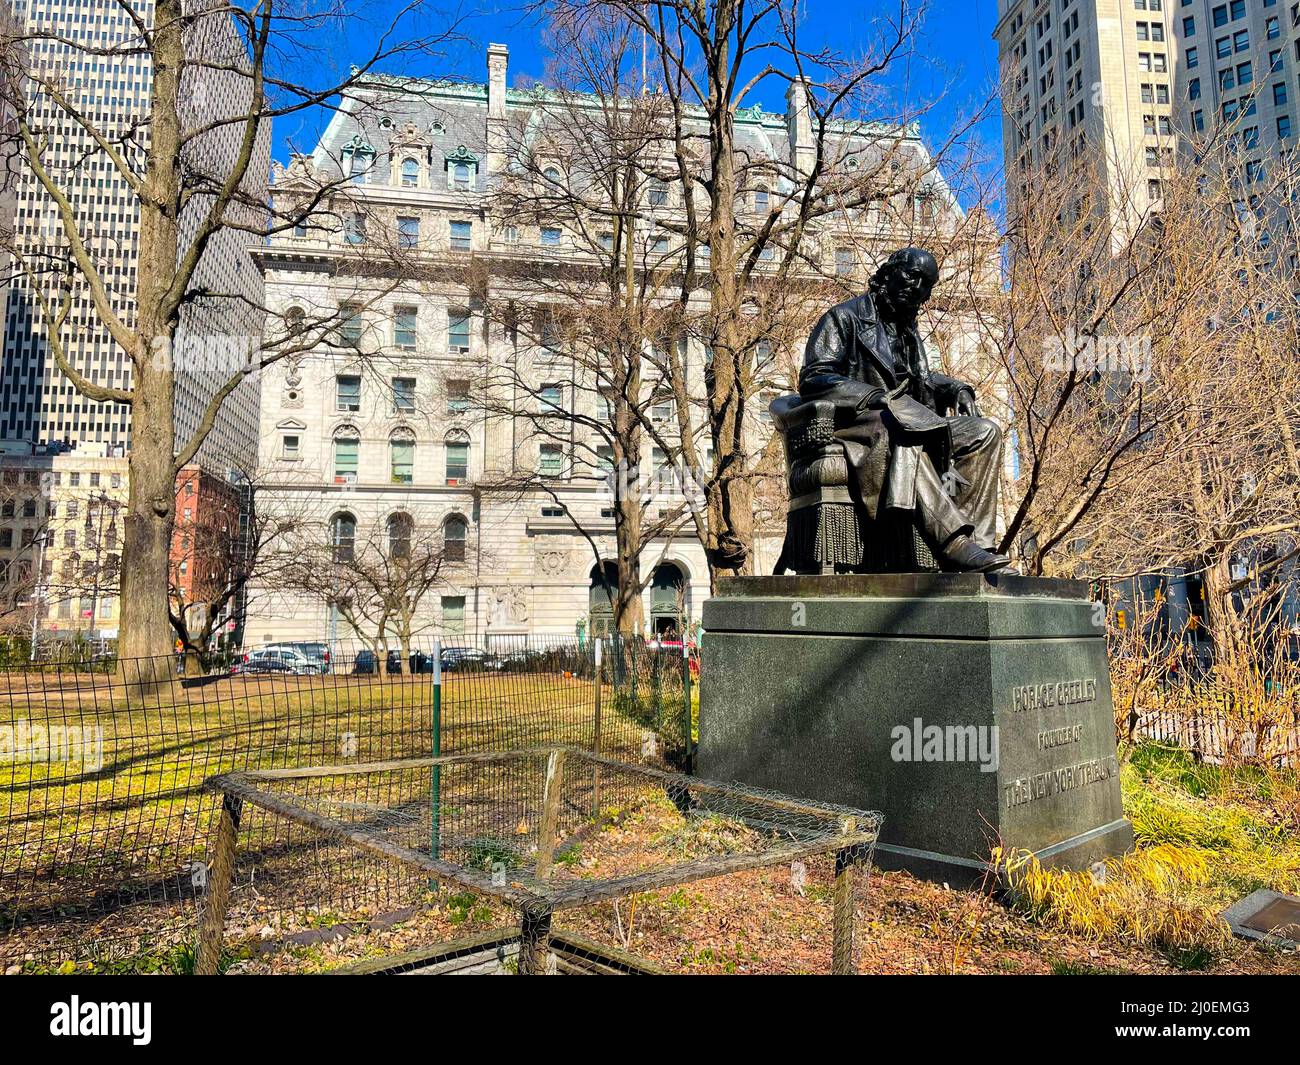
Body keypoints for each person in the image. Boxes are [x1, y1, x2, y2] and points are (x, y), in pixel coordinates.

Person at [798, 247, 1010, 573]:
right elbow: (815, 376)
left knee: (985, 432)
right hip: (860, 423)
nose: (917, 288)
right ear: (889, 272)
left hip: (910, 417)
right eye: (912, 276)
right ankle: (952, 543)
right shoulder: (845, 317)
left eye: (926, 283)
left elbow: (920, 380)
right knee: (901, 426)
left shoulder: (908, 331)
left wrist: (956, 388)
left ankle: (979, 545)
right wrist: (872, 396)